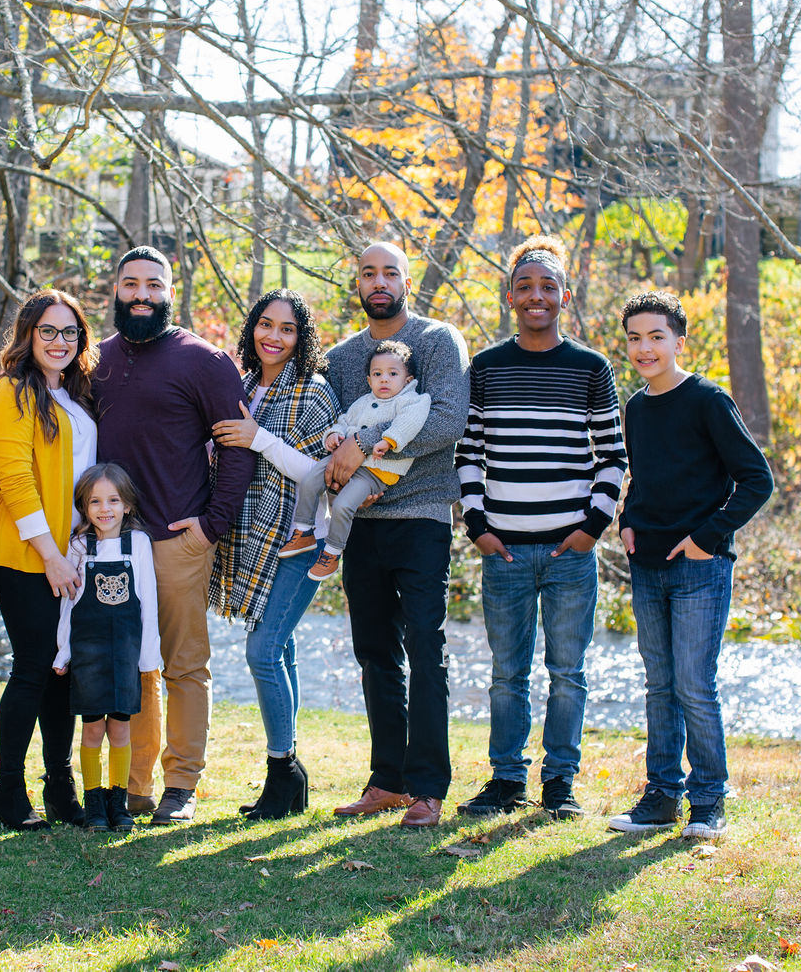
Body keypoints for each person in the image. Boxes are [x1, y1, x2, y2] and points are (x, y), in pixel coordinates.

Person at [455, 235, 627, 821]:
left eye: (547, 287)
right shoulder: (487, 366)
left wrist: (591, 528)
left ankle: (560, 782)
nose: (536, 297)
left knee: (568, 673)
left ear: (565, 296)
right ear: (510, 296)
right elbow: (470, 453)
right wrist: (477, 524)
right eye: (525, 287)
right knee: (507, 674)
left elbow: (612, 456)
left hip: (568, 553)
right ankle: (506, 779)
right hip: (502, 550)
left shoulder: (590, 368)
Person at [91, 245, 255, 824]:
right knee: (131, 665)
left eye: (153, 285)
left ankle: (180, 783)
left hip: (178, 539)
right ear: (115, 290)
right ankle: (134, 785)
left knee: (184, 665)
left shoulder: (204, 361)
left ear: (170, 291)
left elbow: (238, 447)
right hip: (110, 545)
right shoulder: (97, 359)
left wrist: (212, 526)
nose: (141, 295)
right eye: (131, 283)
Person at [606, 291, 773, 841]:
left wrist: (707, 537)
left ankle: (708, 800)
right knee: (659, 685)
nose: (644, 348)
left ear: (679, 342)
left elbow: (757, 480)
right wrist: (627, 517)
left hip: (701, 567)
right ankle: (660, 797)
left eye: (656, 337)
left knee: (694, 685)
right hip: (646, 564)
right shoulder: (636, 406)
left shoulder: (707, 400)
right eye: (635, 337)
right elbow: (645, 478)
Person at [323, 243, 472, 829]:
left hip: (423, 515)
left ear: (406, 281)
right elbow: (330, 426)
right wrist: (344, 462)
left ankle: (428, 788)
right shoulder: (341, 357)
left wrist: (370, 449)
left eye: (389, 272)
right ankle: (387, 779)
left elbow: (446, 418)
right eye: (368, 272)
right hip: (360, 521)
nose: (378, 281)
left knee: (425, 647)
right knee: (374, 653)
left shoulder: (438, 341)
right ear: (357, 282)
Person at [208, 289, 340, 819]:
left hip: (301, 540)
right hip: (251, 538)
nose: (273, 337)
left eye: (287, 329)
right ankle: (293, 777)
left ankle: (281, 770)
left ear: (301, 338)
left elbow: (320, 476)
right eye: (266, 325)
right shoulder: (242, 386)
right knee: (278, 652)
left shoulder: (314, 393)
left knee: (262, 652)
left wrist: (258, 438)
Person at [0, 289, 98, 830]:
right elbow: (14, 479)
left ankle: (60, 787)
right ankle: (8, 791)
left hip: (72, 551)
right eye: (48, 331)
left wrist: (77, 543)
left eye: (69, 332)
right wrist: (51, 554)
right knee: (33, 667)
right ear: (28, 335)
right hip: (25, 553)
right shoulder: (11, 392)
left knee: (61, 671)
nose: (59, 341)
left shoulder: (76, 396)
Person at [52, 464, 160, 832]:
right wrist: (63, 651)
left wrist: (148, 658)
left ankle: (119, 801)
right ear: (85, 507)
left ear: (127, 504)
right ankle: (94, 801)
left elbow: (148, 601)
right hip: (89, 655)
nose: (105, 508)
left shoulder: (140, 544)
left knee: (120, 731)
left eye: (113, 500)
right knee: (92, 730)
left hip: (126, 654)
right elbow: (69, 603)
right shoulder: (80, 546)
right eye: (95, 501)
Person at [280, 339, 431, 583]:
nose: (384, 379)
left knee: (343, 505)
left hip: (376, 470)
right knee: (309, 481)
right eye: (377, 374)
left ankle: (331, 553)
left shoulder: (410, 400)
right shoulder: (362, 402)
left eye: (393, 374)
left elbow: (411, 421)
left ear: (408, 380)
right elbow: (344, 420)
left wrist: (390, 439)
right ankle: (303, 530)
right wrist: (333, 435)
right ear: (369, 380)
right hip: (343, 459)